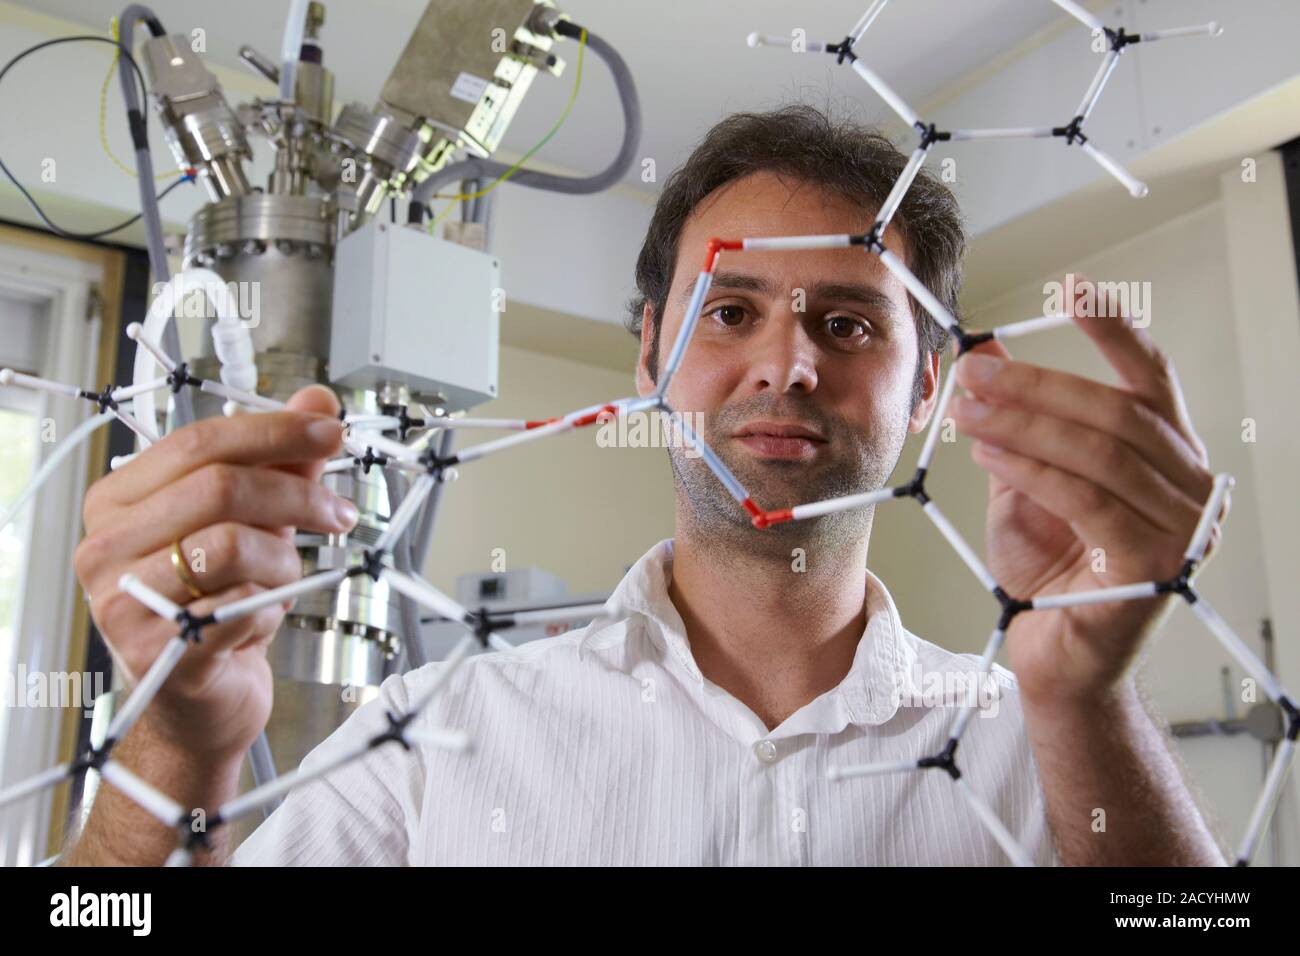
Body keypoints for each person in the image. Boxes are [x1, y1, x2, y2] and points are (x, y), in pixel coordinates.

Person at [62, 105, 1227, 866]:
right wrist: (171, 745)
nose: (787, 361)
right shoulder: (442, 733)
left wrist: (1086, 702)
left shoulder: (1046, 742)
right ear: (647, 356)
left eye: (848, 320)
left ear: (927, 386)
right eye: (731, 311)